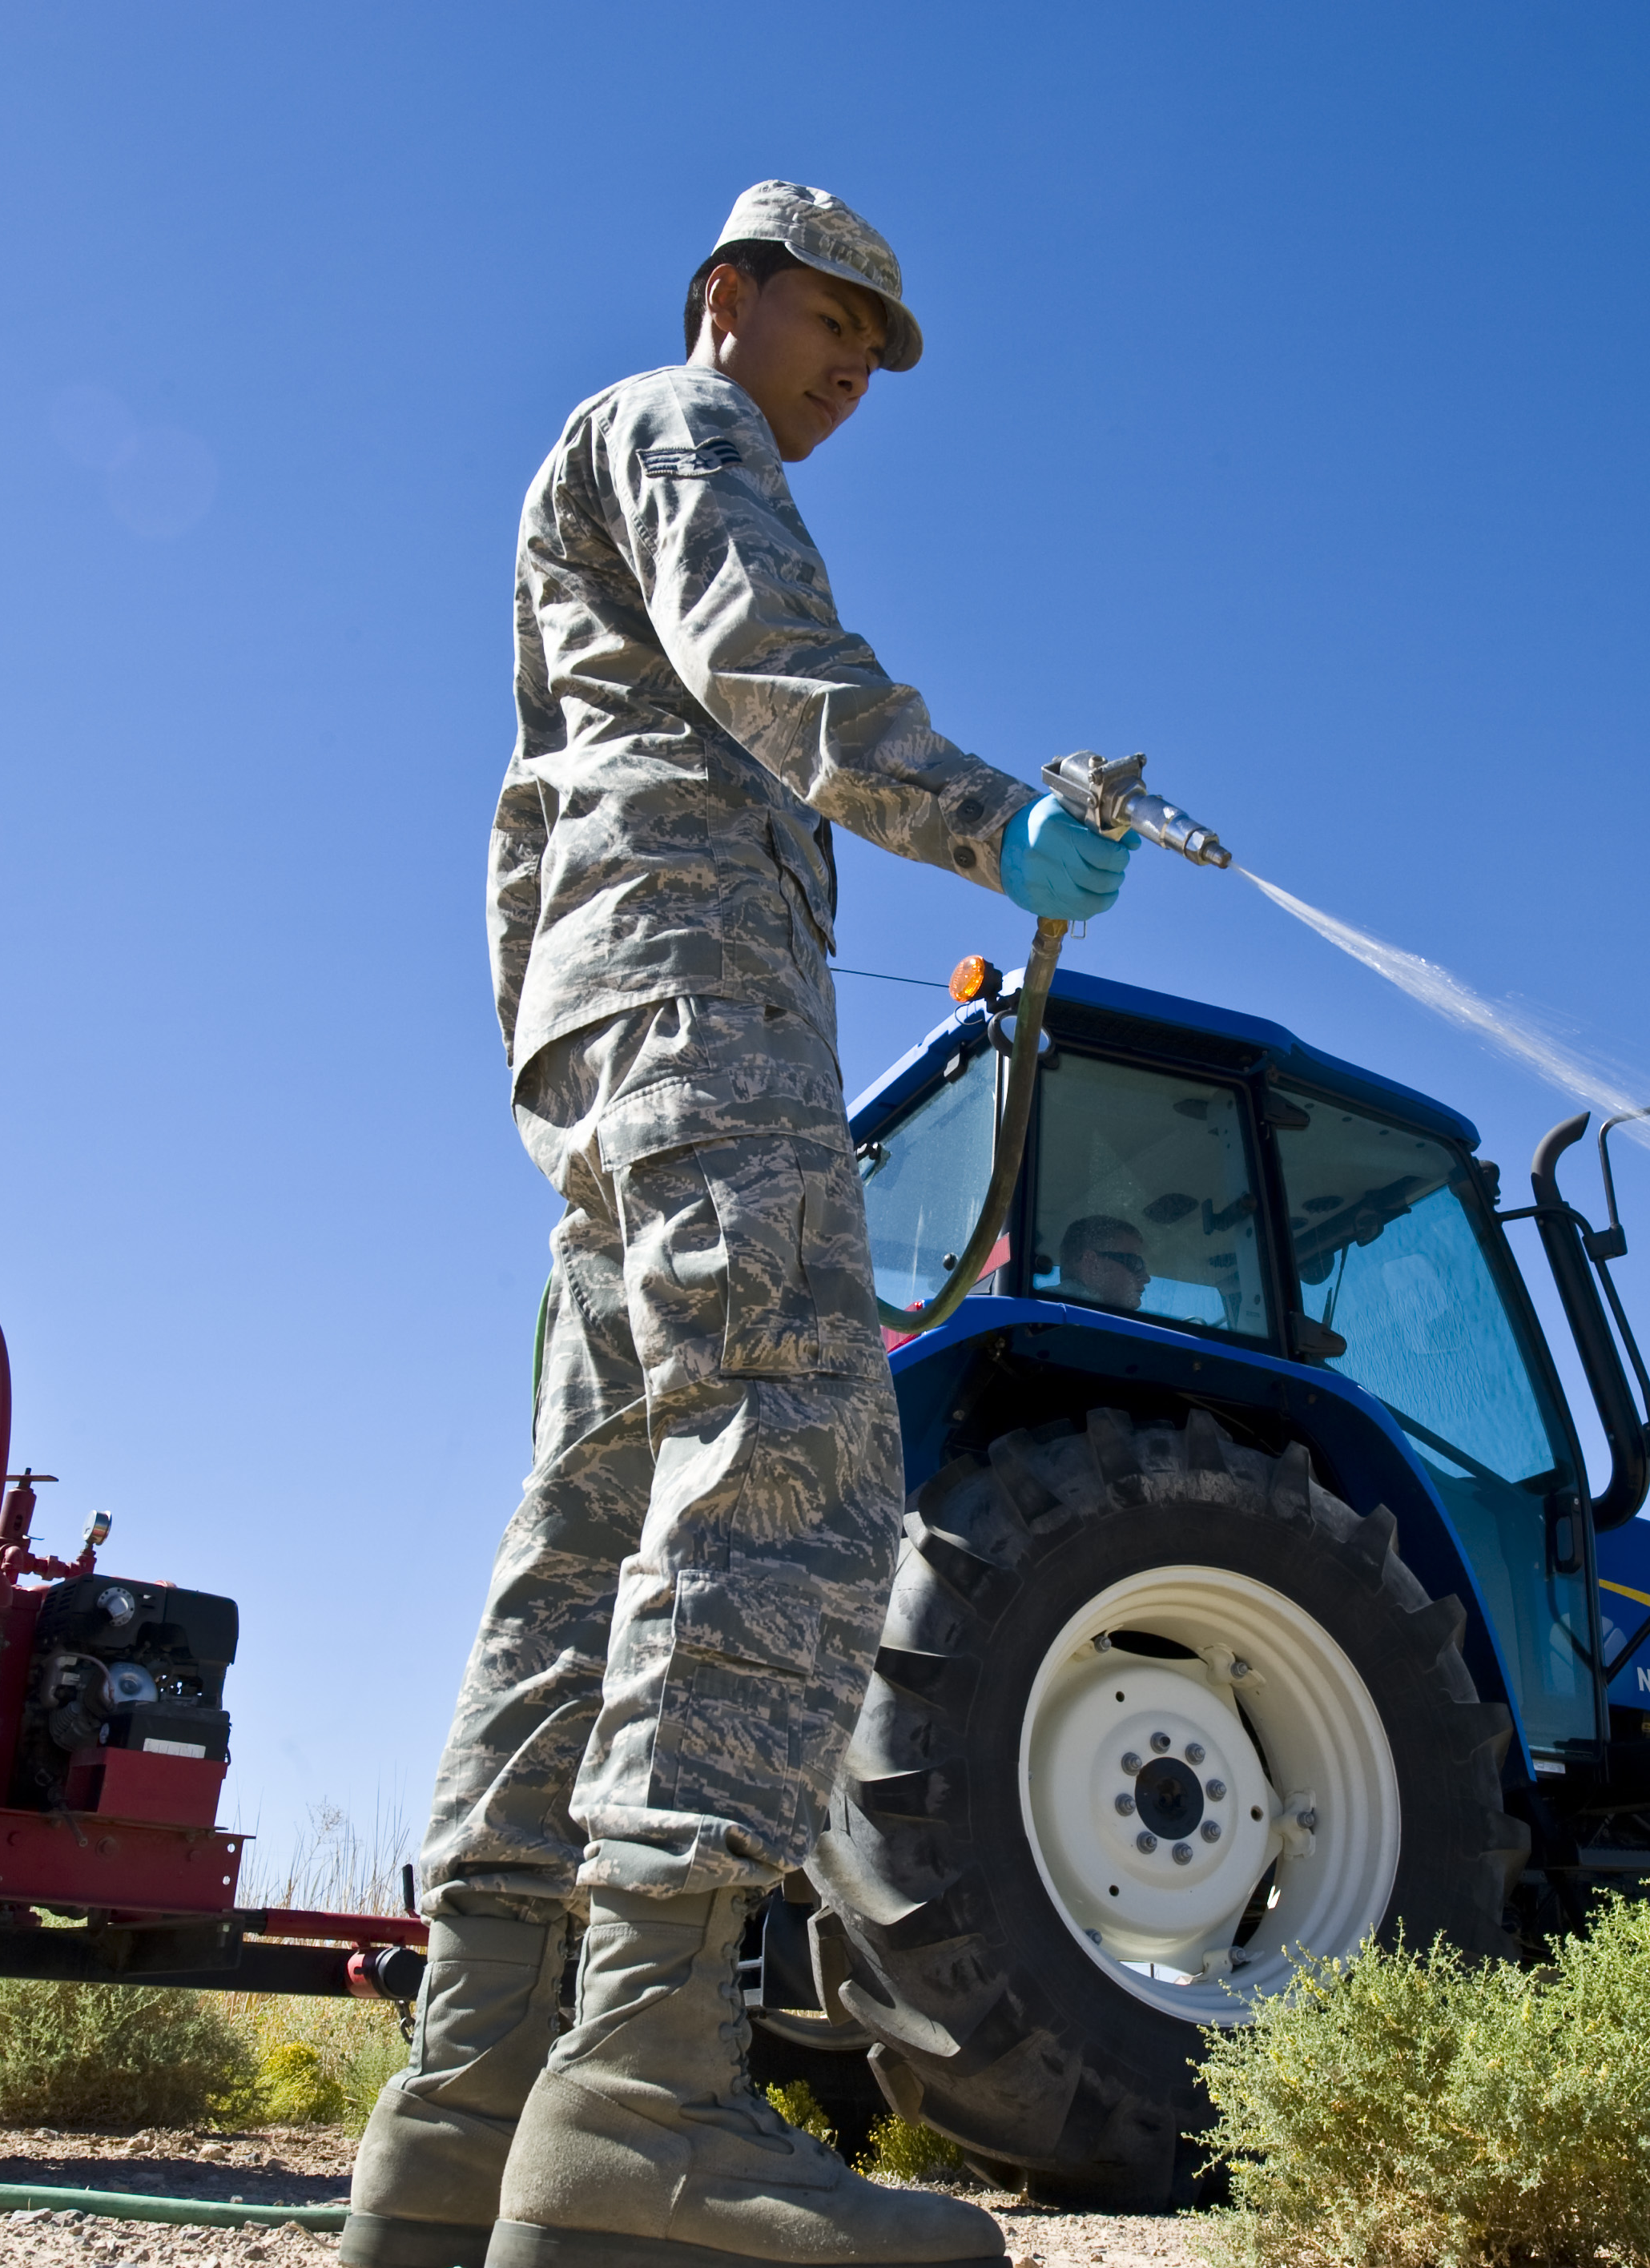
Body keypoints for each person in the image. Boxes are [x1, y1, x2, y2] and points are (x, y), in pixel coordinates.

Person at [340, 183, 1133, 2268]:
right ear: (729, 297)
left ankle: (465, 2120)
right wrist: (990, 821)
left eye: (877, 352)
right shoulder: (680, 427)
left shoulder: (602, 471)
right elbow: (763, 653)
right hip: (698, 996)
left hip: (614, 1023)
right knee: (795, 1453)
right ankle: (653, 2098)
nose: (850, 370)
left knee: (596, 1528)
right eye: (828, 324)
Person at [1054, 1214, 1153, 1313]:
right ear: (1092, 1263)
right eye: (1135, 1263)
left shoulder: (1056, 1309)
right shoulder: (1057, 1313)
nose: (1146, 1279)